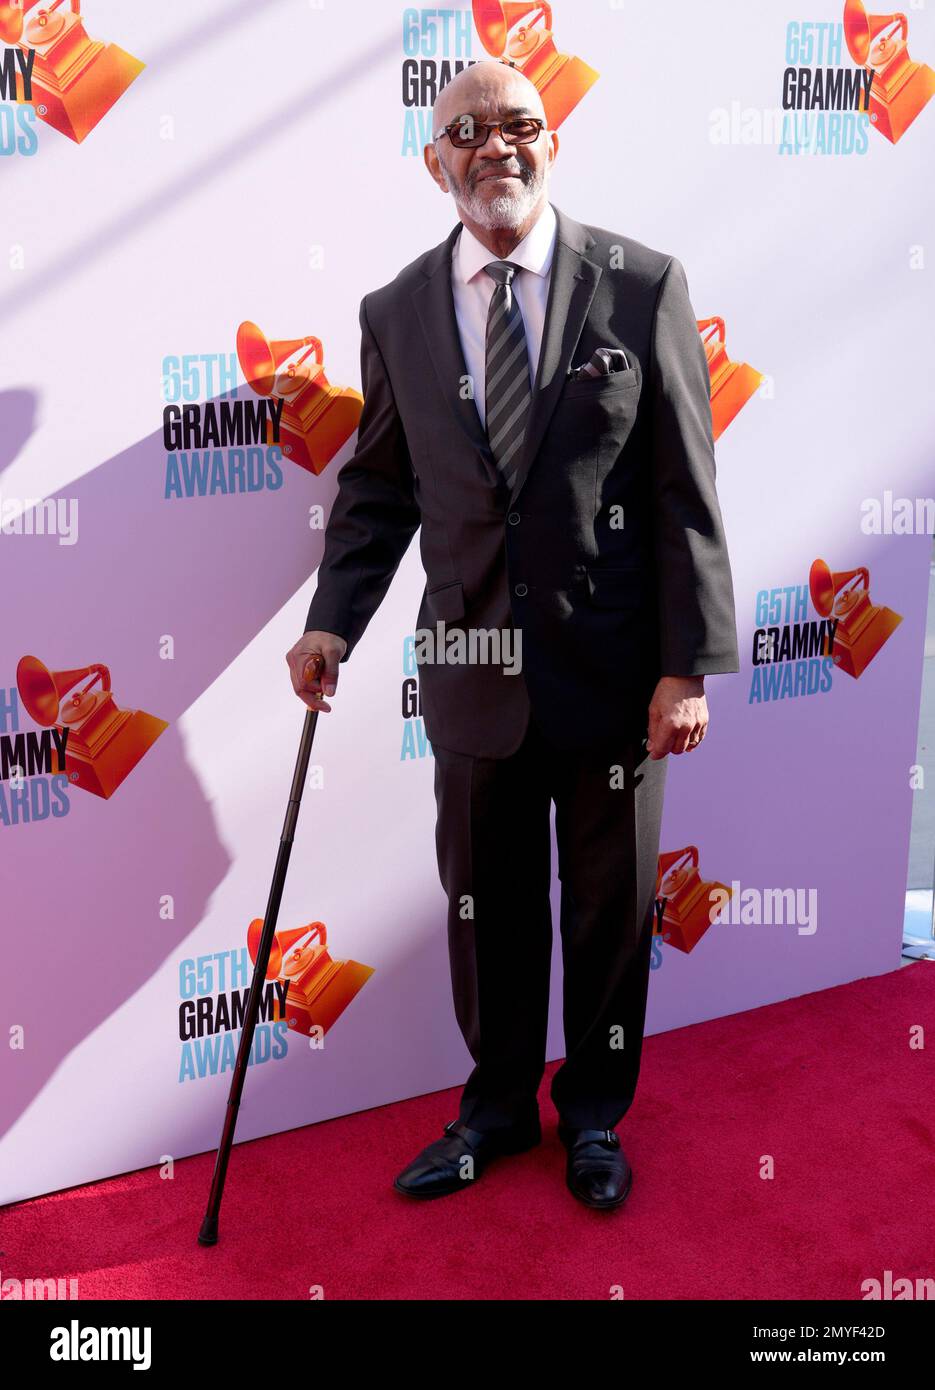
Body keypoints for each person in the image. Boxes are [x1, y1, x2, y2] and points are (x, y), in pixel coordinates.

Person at [286, 59, 739, 1209]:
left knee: (607, 910)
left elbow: (684, 487)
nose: (498, 146)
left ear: (553, 143)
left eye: (520, 126)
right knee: (484, 909)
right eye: (468, 132)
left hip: (613, 672)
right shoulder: (395, 309)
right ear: (434, 162)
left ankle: (592, 1116)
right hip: (469, 667)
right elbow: (382, 488)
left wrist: (685, 664)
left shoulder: (640, 283)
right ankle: (493, 1114)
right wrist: (332, 623)